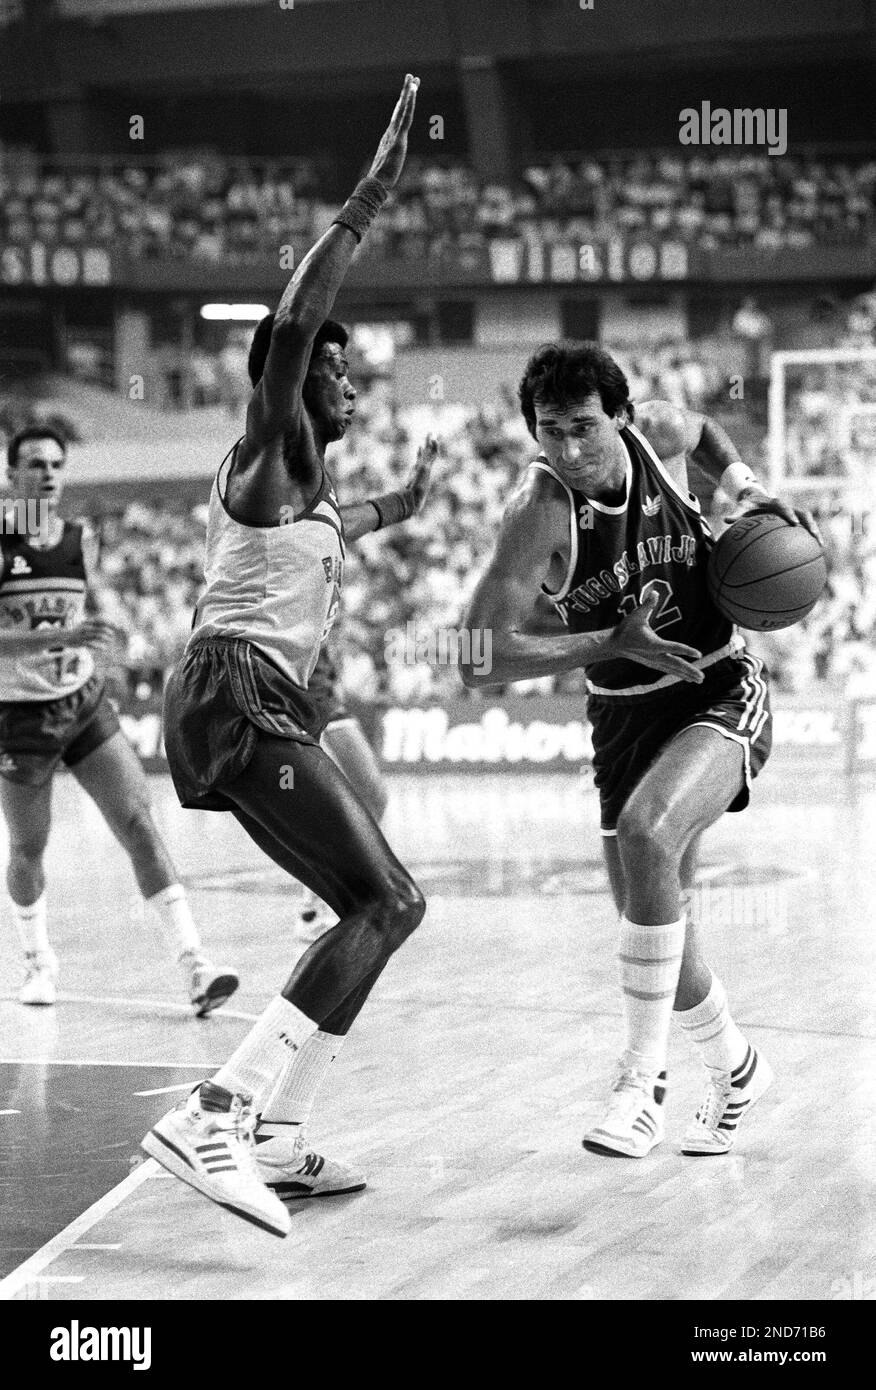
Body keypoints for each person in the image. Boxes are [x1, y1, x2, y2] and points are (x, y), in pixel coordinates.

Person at [142, 75, 435, 1238]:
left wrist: (397, 509)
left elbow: (336, 525)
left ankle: (277, 1135)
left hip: (244, 705)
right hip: (236, 696)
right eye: (339, 367)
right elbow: (297, 321)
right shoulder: (274, 442)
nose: (350, 381)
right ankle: (217, 1112)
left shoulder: (307, 498)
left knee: (377, 907)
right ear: (295, 375)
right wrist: (366, 200)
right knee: (390, 896)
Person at [462, 341, 820, 1159]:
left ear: (622, 418)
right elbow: (473, 659)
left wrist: (752, 493)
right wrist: (604, 641)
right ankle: (738, 1068)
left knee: (652, 833)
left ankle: (640, 1082)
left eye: (586, 428)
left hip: (717, 683)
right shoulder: (539, 512)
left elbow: (705, 437)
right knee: (655, 919)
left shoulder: (656, 433)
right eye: (550, 433)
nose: (570, 450)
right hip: (622, 714)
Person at [0, 426, 238, 1015]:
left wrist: (100, 640)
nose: (49, 474)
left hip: (81, 701)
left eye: (57, 464)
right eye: (35, 464)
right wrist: (59, 636)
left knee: (138, 821)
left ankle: (194, 967)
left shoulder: (80, 538)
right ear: (11, 475)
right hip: (19, 715)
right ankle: (38, 962)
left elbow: (85, 608)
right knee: (29, 847)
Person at [293, 643, 389, 956]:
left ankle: (323, 902)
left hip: (327, 691)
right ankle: (316, 907)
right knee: (368, 796)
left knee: (366, 802)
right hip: (307, 696)